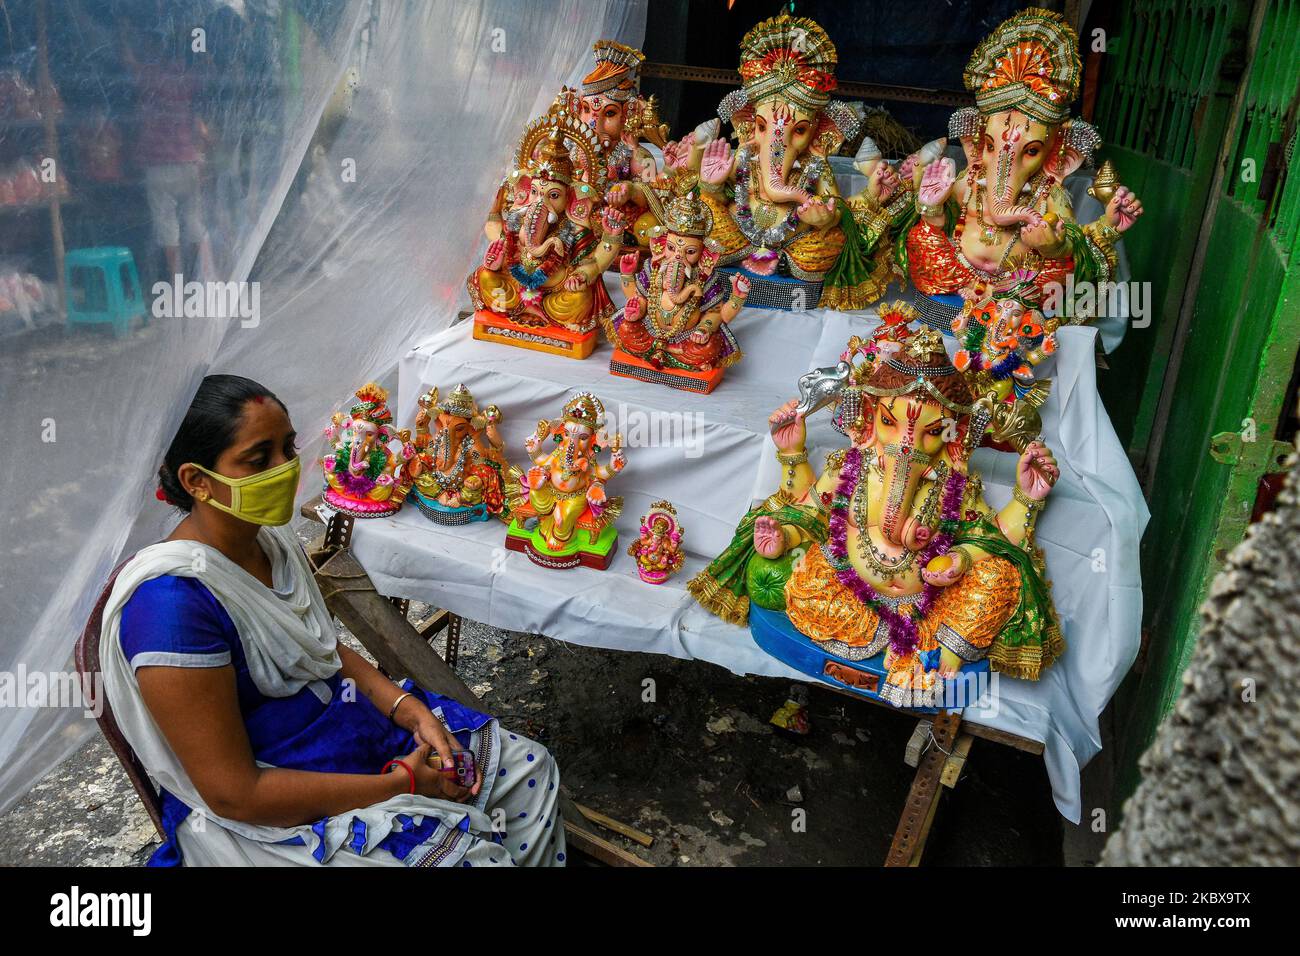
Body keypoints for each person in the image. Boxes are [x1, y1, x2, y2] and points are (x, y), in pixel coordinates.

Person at [99, 375, 566, 866]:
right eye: (259, 460)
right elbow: (236, 794)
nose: (285, 469)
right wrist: (399, 784)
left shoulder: (269, 542)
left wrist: (411, 711)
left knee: (527, 773)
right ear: (197, 480)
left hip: (341, 727)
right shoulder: (171, 608)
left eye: (288, 448)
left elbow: (319, 648)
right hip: (270, 805)